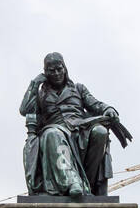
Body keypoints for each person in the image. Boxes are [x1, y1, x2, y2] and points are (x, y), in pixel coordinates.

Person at [20, 52, 131, 197]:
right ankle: (72, 182)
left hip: (81, 128)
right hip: (56, 128)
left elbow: (95, 104)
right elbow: (24, 110)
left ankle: (88, 185)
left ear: (65, 68)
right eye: (52, 71)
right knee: (53, 134)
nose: (57, 73)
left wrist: (108, 108)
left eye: (60, 69)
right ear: (46, 73)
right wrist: (34, 84)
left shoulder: (78, 89)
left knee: (100, 132)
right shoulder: (41, 94)